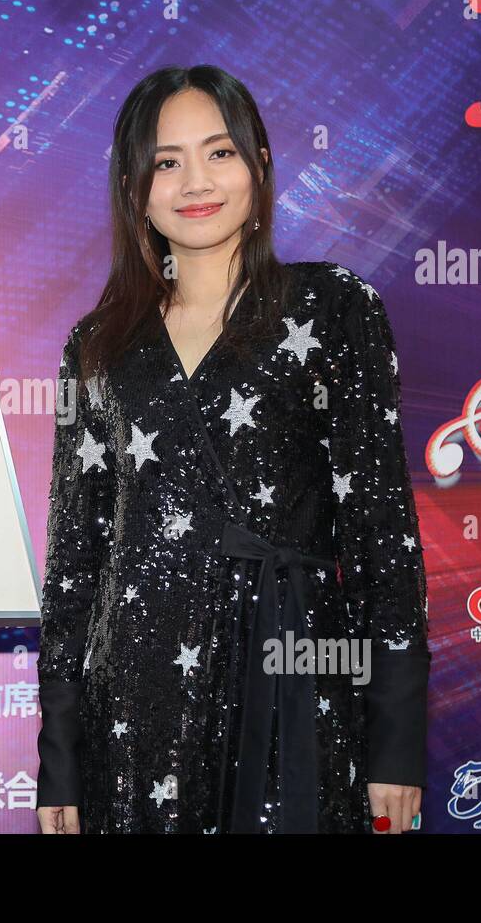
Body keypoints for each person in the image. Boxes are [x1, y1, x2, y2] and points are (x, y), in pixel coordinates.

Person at [34, 64, 431, 834]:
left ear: (260, 163)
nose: (195, 182)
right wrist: (61, 754)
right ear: (133, 187)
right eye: (166, 162)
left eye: (220, 153)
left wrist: (395, 739)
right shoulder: (97, 345)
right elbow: (75, 560)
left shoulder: (334, 307)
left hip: (295, 670)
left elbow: (382, 533)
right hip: (138, 698)